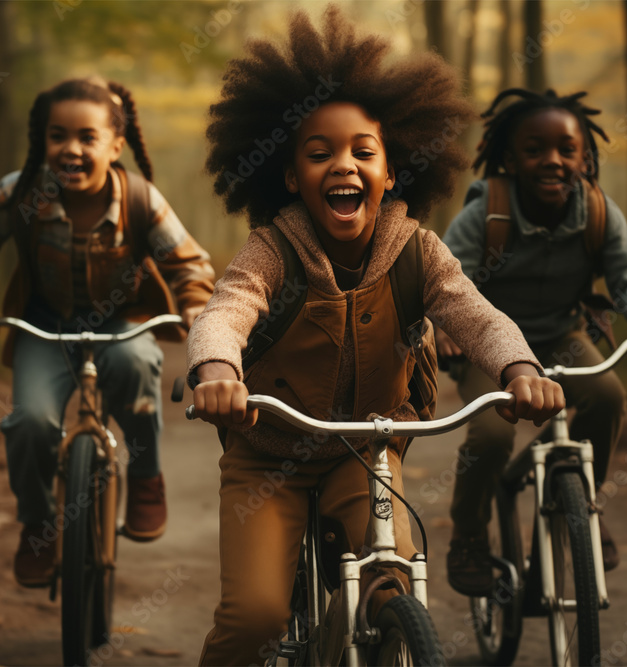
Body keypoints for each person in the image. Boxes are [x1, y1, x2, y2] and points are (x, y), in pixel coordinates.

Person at [187, 8, 564, 665]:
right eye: (319, 152)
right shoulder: (274, 248)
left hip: (366, 446)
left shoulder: (417, 250)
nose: (344, 165)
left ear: (392, 172)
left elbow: (476, 314)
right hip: (267, 457)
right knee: (256, 617)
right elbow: (227, 307)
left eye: (364, 151)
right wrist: (217, 369)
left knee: (389, 573)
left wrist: (519, 368)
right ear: (289, 175)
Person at [0, 78, 215, 587]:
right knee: (31, 423)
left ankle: (147, 474)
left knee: (137, 367)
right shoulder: (17, 192)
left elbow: (190, 267)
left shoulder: (140, 199)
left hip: (121, 322)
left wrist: (196, 306)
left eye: (87, 137)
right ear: (42, 142)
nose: (72, 148)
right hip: (44, 328)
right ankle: (39, 522)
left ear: (115, 145)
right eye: (58, 135)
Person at [438, 88, 627, 596]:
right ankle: (468, 535)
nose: (552, 160)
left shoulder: (596, 211)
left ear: (584, 156)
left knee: (608, 395)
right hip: (489, 346)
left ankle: (584, 506)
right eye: (535, 149)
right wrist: (442, 328)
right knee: (490, 435)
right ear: (509, 157)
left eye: (566, 149)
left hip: (561, 337)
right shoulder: (488, 213)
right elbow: (444, 278)